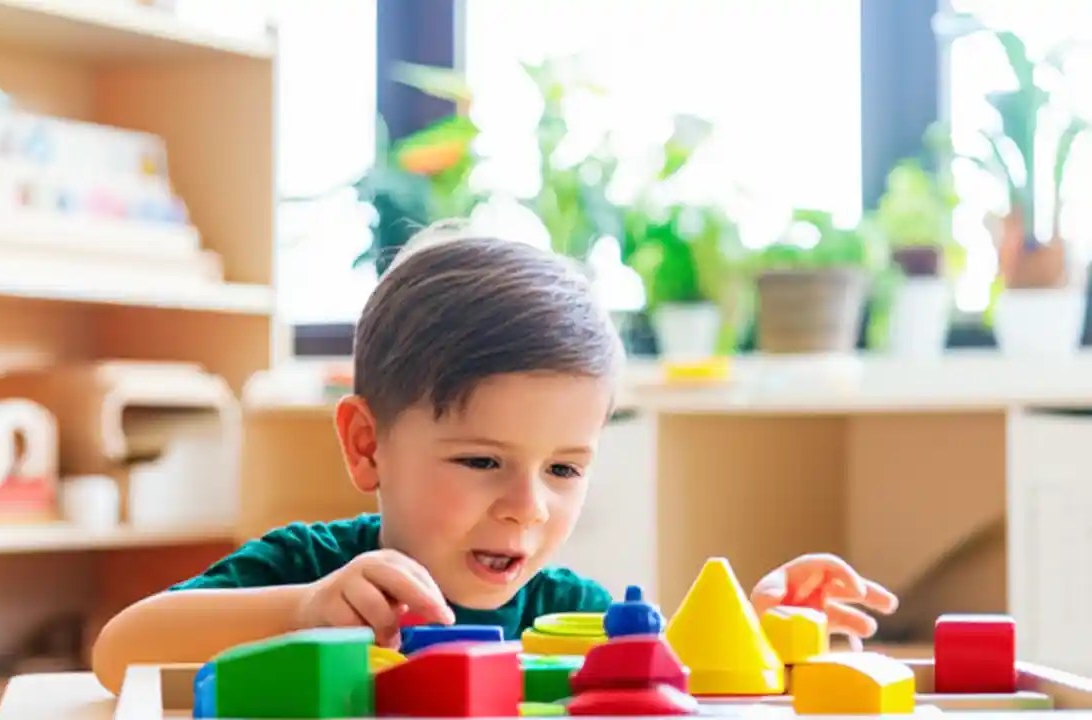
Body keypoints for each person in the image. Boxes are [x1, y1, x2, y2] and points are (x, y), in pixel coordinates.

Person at [91, 222, 898, 693]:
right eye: (482, 462)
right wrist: (301, 613)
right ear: (367, 445)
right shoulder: (308, 571)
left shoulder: (565, 612)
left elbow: (672, 677)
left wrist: (756, 630)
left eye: (564, 469)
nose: (527, 507)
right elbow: (118, 652)